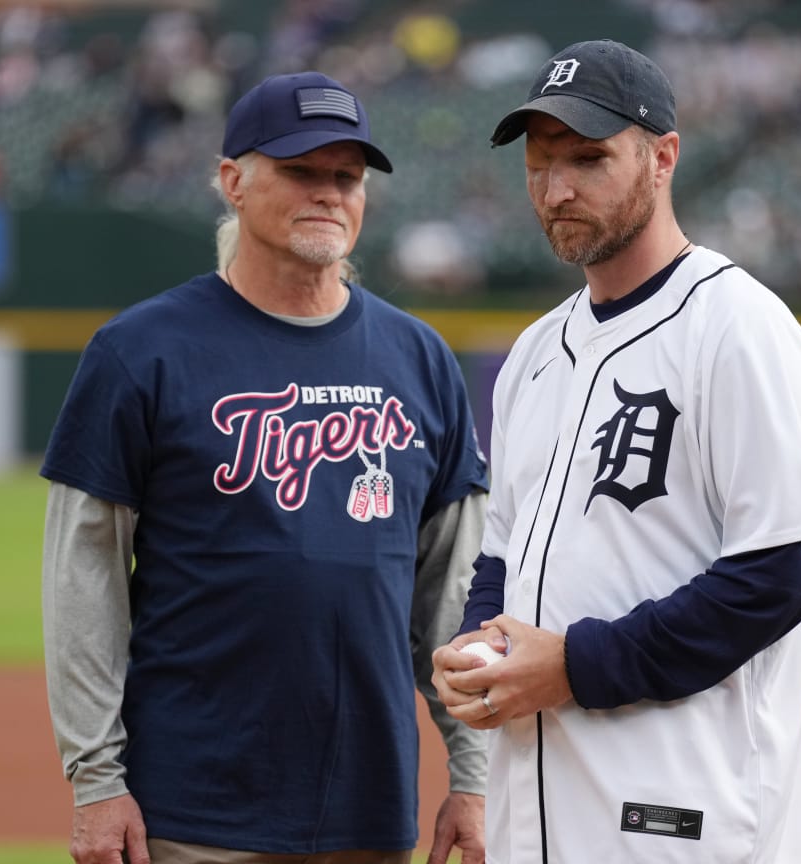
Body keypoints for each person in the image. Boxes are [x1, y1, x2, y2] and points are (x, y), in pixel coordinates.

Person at [41, 71, 490, 864]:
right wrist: (97, 782)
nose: (328, 194)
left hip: (372, 801)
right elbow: (84, 580)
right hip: (193, 806)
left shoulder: (417, 357)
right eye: (300, 171)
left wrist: (475, 772)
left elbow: (453, 592)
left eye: (346, 177)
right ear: (233, 182)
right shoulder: (139, 351)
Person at [431, 40, 801, 863]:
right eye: (540, 165)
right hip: (537, 817)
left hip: (685, 820)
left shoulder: (737, 327)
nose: (558, 189)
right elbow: (501, 561)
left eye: (588, 158)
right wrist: (480, 647)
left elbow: (786, 570)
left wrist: (576, 666)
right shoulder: (536, 354)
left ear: (663, 158)